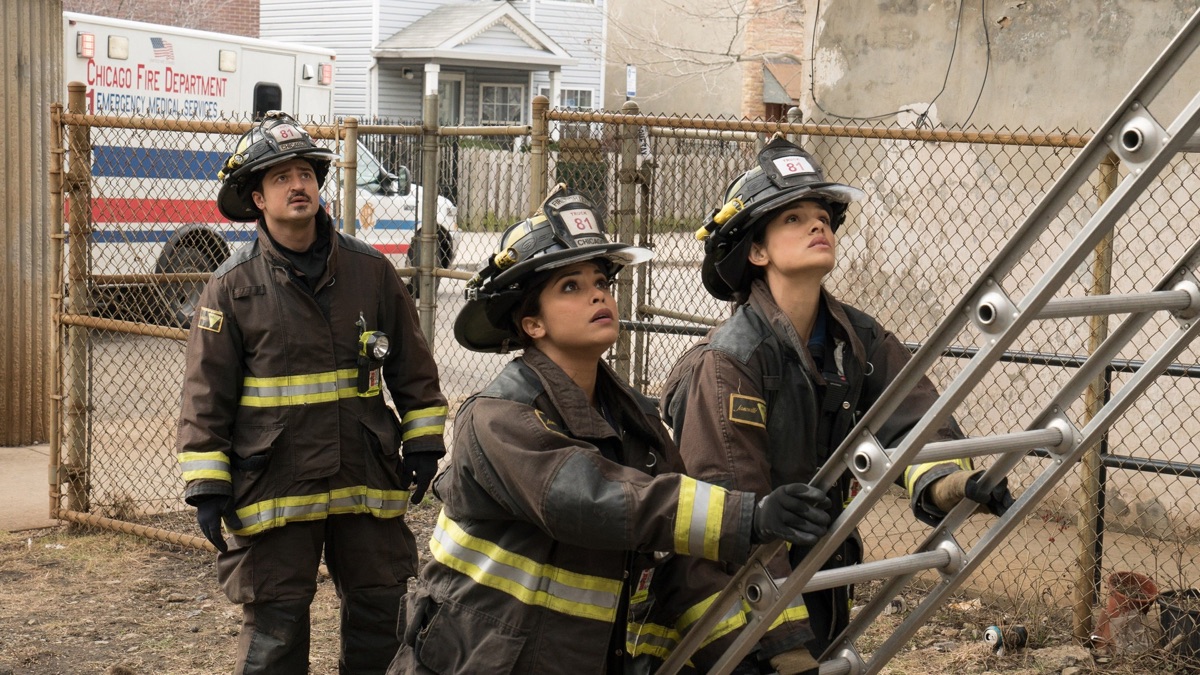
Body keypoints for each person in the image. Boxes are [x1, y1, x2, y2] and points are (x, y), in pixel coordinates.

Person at [387, 185, 838, 675]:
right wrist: (745, 517)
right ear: (532, 324)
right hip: (475, 661)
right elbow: (584, 498)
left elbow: (678, 562)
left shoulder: (635, 426)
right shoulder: (497, 416)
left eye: (601, 280)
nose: (599, 293)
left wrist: (761, 651)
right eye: (570, 287)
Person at [660, 136, 1014, 674]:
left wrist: (953, 484)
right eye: (793, 218)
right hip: (737, 612)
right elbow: (730, 513)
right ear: (757, 252)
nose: (817, 225)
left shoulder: (859, 342)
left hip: (820, 579)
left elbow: (912, 423)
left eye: (823, 215)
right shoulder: (727, 363)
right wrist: (788, 650)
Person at [176, 111, 448, 675]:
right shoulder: (231, 287)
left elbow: (413, 368)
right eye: (280, 177)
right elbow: (207, 395)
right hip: (276, 482)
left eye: (305, 172)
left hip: (363, 477)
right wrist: (206, 483)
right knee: (275, 624)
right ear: (257, 198)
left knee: (380, 613)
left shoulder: (370, 271)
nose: (297, 184)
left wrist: (424, 442)